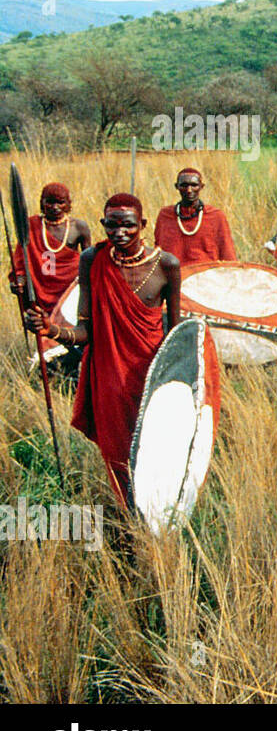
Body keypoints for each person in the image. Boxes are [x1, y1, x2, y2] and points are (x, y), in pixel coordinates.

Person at [24, 195, 182, 508]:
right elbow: (86, 332)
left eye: (128, 225)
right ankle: (129, 515)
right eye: (112, 224)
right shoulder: (92, 260)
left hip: (150, 373)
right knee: (119, 457)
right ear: (102, 224)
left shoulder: (167, 265)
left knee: (155, 451)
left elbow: (176, 334)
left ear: (143, 226)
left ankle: (158, 511)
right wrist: (50, 329)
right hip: (109, 376)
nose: (120, 232)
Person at [9, 182, 91, 315]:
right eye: (50, 202)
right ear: (42, 203)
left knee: (71, 328)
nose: (55, 207)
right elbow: (20, 260)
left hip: (71, 289)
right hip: (40, 288)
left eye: (60, 202)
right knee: (43, 327)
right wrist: (19, 280)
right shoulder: (31, 226)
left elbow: (88, 261)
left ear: (68, 204)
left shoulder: (79, 227)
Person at [153, 168, 237, 266]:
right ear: (177, 187)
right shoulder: (165, 215)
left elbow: (227, 253)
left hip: (207, 277)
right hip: (174, 277)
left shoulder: (215, 216)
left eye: (194, 185)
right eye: (184, 185)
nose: (189, 190)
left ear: (201, 187)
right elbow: (158, 252)